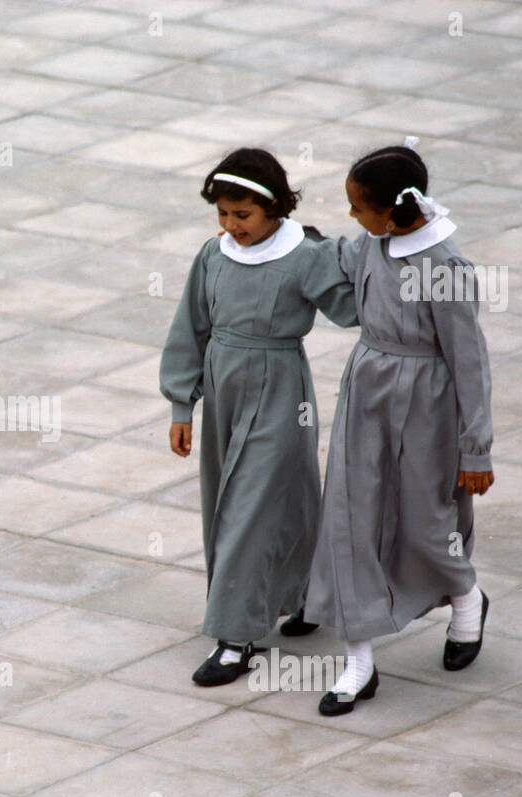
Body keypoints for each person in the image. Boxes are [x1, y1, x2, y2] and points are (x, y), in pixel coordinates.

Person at [159, 147, 359, 687]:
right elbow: (190, 328)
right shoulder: (213, 254)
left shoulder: (304, 256)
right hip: (224, 389)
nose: (231, 225)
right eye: (222, 214)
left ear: (274, 207)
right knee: (269, 500)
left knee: (247, 511)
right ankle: (305, 597)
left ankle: (235, 636)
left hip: (279, 392)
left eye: (242, 215)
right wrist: (183, 402)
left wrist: (353, 255)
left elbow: (350, 311)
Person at [308, 140, 495, 716]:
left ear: (397, 210)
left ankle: (465, 599)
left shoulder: (444, 266)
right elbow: (337, 254)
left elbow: (470, 360)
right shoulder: (372, 242)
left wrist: (476, 449)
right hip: (367, 392)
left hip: (427, 403)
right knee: (350, 517)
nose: (353, 218)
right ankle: (358, 662)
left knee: (425, 522)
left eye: (359, 207)